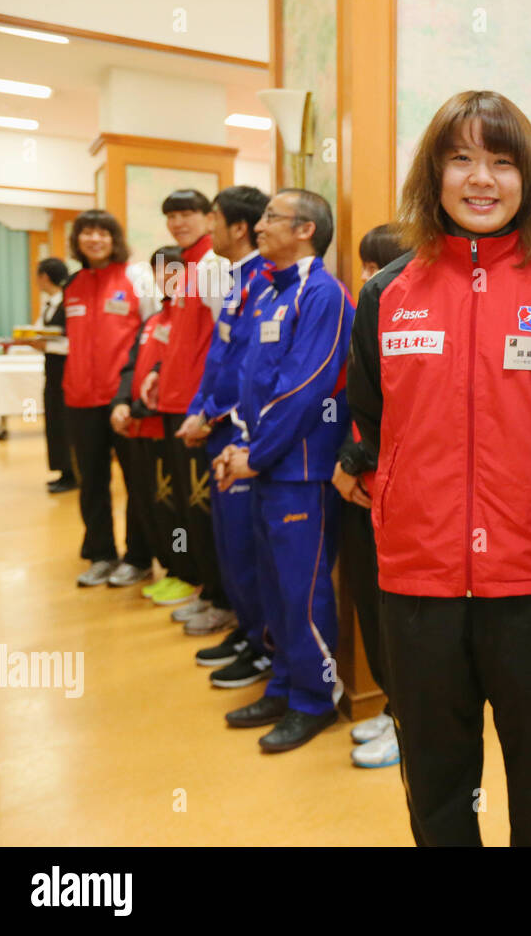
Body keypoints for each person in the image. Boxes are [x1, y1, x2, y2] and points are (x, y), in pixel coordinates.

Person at [347, 91, 531, 843]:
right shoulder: (387, 295)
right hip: (418, 587)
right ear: (434, 174)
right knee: (438, 786)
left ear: (529, 180)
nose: (481, 179)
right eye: (461, 159)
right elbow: (373, 425)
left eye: (502, 161)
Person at [215, 188, 354, 753]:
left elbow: (305, 388)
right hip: (266, 465)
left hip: (302, 471)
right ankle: (283, 683)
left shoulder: (323, 294)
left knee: (302, 592)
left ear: (306, 230)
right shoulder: (269, 292)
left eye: (271, 217)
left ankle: (314, 700)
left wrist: (257, 452)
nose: (259, 226)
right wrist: (240, 445)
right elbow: (253, 383)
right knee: (271, 587)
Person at [175, 186, 280, 671]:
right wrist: (198, 409)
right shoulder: (237, 280)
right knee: (227, 544)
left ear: (237, 227)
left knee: (246, 548)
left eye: (212, 218)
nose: (206, 228)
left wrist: (210, 414)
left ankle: (262, 648)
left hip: (240, 433)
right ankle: (244, 631)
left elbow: (249, 372)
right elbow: (219, 358)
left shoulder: (265, 279)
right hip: (216, 428)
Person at [141, 188, 234, 625]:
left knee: (202, 508)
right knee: (185, 507)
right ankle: (203, 585)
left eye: (188, 214)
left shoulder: (213, 265)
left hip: (200, 406)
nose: (179, 222)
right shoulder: (182, 268)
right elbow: (178, 337)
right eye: (171, 215)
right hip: (175, 402)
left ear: (208, 217)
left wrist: (208, 406)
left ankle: (221, 599)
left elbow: (225, 341)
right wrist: (160, 373)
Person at [333, 222, 405, 769]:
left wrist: (356, 463)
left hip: (393, 497)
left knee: (397, 618)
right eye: (364, 265)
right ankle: (390, 703)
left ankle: (409, 720)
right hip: (357, 490)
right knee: (369, 608)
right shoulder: (369, 314)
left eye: (377, 263)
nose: (367, 276)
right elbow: (359, 407)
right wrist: (347, 466)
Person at [60, 209, 154, 587]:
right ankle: (100, 554)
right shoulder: (73, 284)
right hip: (80, 397)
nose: (95, 239)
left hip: (123, 399)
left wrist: (135, 391)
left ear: (114, 239)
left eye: (102, 232)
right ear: (78, 241)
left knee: (136, 481)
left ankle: (138, 556)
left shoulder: (135, 278)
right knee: (92, 481)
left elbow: (149, 334)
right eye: (87, 233)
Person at [110, 247, 182, 597]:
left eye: (173, 270)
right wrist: (122, 402)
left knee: (172, 508)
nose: (165, 277)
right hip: (138, 428)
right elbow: (131, 366)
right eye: (160, 271)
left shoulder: (183, 319)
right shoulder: (153, 320)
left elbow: (177, 371)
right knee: (147, 504)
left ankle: (184, 571)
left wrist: (143, 406)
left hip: (164, 427)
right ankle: (168, 567)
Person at [34, 258, 75, 493]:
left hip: (67, 370)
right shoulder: (50, 303)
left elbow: (73, 341)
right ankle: (62, 470)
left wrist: (45, 345)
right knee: (54, 420)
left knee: (66, 422)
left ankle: (72, 472)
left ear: (44, 277)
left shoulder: (69, 303)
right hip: (52, 370)